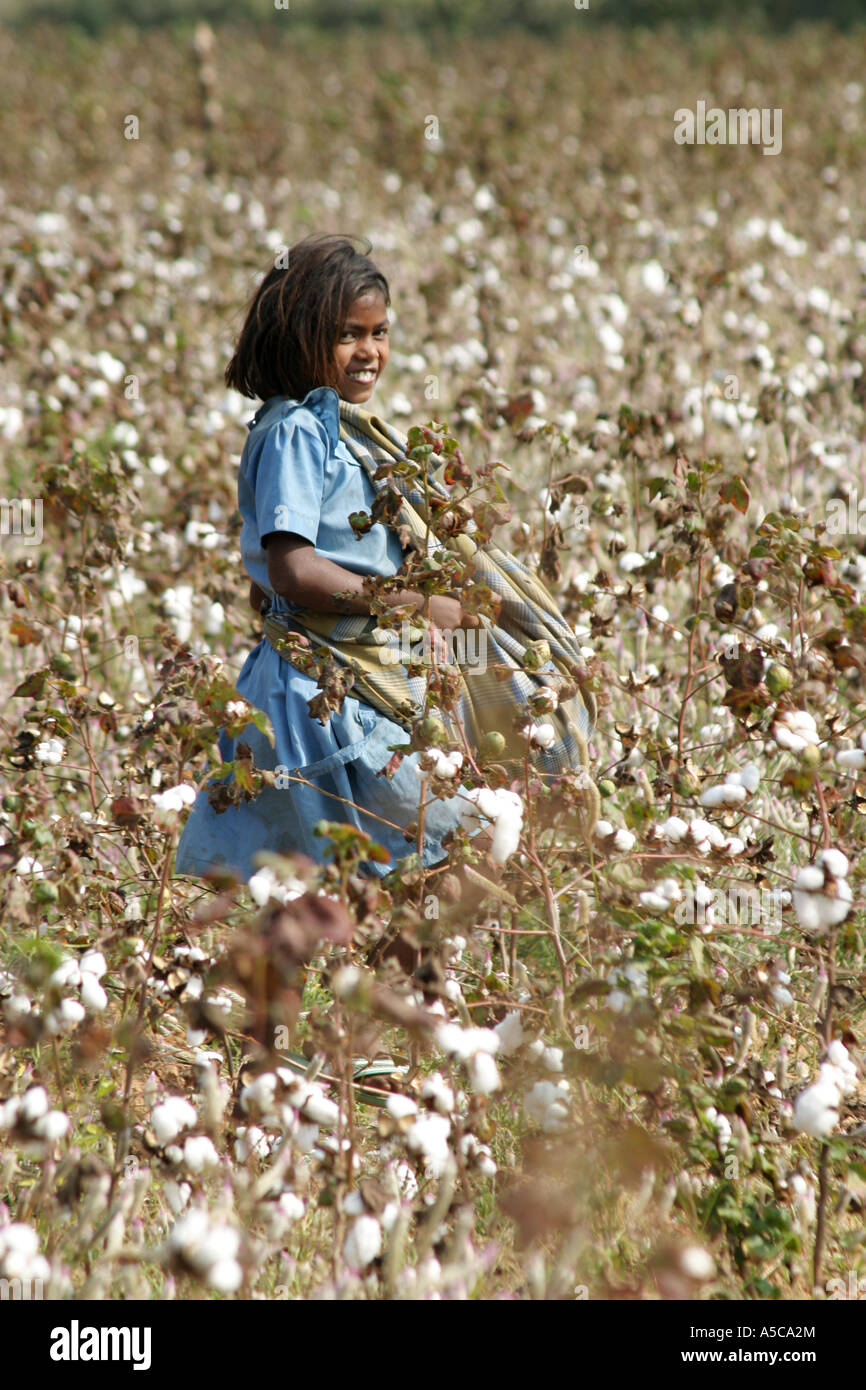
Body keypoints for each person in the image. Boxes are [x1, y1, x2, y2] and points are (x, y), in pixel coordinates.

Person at [175, 233, 595, 887]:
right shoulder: (294, 431)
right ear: (300, 335)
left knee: (362, 858)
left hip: (349, 668)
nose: (369, 351)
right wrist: (410, 602)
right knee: (423, 843)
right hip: (324, 686)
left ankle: (389, 972)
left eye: (380, 332)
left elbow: (273, 577)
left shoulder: (332, 427)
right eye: (349, 334)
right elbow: (291, 569)